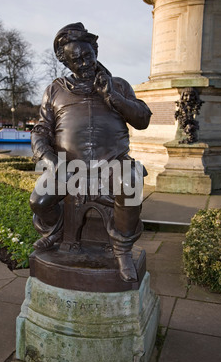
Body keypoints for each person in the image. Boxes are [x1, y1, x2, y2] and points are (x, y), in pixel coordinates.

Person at [30, 22, 152, 282]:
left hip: (112, 164)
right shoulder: (55, 90)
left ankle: (122, 249)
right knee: (39, 202)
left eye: (87, 55)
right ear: (66, 62)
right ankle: (57, 230)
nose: (84, 63)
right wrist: (48, 158)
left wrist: (114, 98)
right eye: (76, 59)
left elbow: (143, 119)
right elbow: (41, 130)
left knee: (129, 183)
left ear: (95, 51)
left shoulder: (118, 85)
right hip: (68, 166)